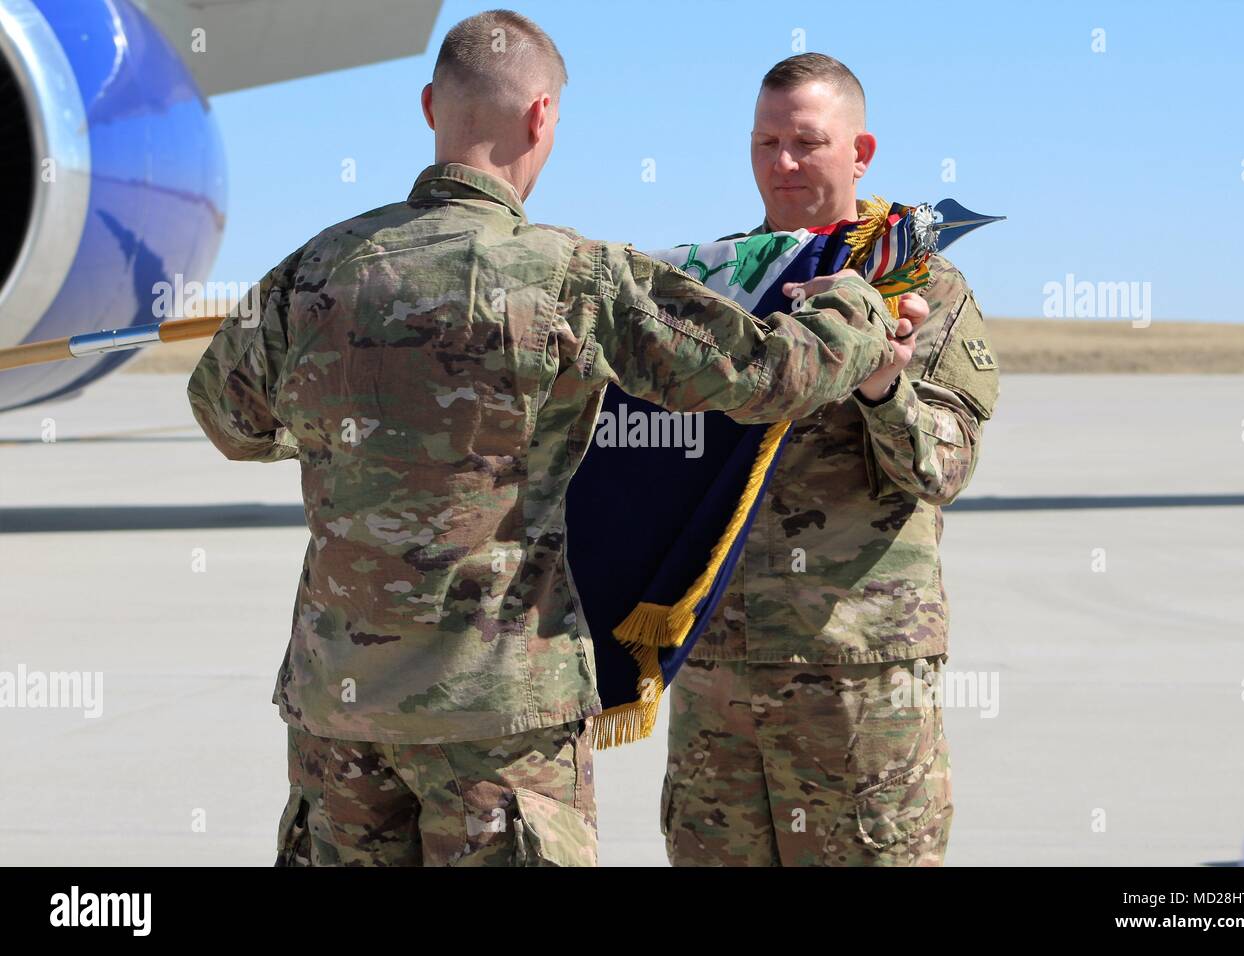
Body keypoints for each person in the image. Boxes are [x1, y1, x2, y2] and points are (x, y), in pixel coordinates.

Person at [187, 13, 900, 867]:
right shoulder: (571, 278)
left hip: (339, 712)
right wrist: (852, 311)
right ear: (540, 119)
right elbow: (761, 380)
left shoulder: (314, 269)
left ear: (429, 108)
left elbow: (225, 414)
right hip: (498, 716)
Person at [662, 52, 1001, 866]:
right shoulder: (718, 287)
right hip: (720, 678)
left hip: (857, 679)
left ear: (861, 152)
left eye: (806, 142)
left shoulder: (925, 287)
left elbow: (943, 470)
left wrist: (884, 386)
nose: (781, 164)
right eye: (764, 141)